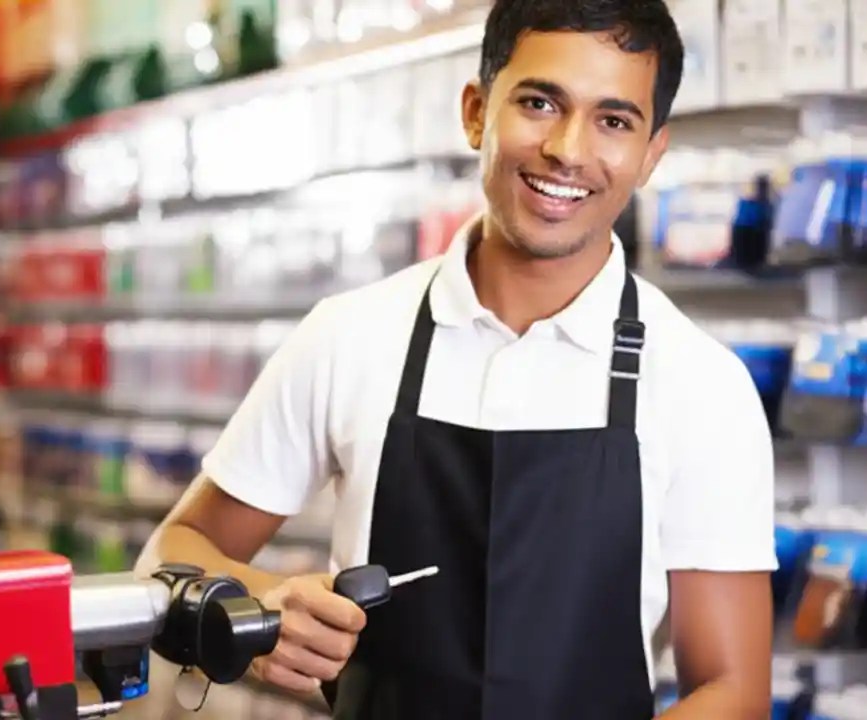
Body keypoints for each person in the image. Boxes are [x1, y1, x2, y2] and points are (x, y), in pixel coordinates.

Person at [136, 0, 777, 717]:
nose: (568, 149)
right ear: (476, 112)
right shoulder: (348, 336)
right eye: (539, 102)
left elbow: (734, 689)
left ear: (652, 152)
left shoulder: (701, 384)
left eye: (614, 121)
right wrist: (252, 603)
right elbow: (170, 551)